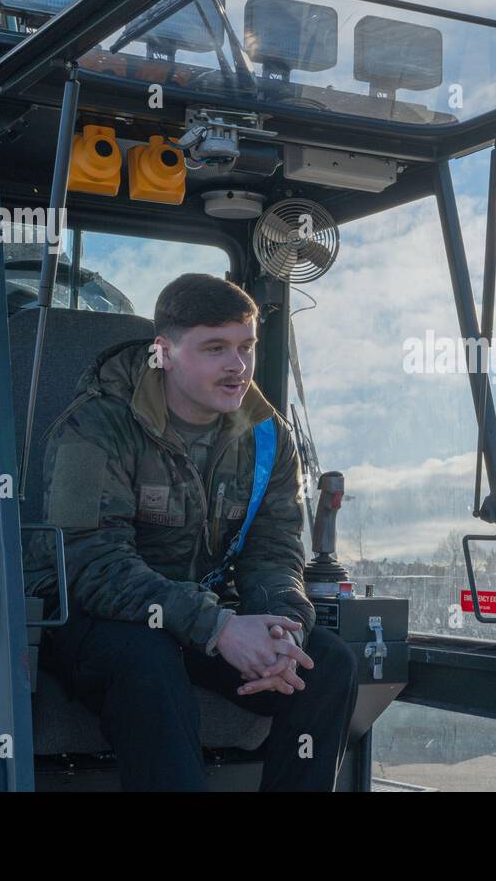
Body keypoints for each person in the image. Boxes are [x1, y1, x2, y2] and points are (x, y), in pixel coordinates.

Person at [34, 273, 357, 791]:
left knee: (326, 663)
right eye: (215, 348)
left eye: (246, 347)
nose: (238, 366)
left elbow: (273, 551)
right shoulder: (95, 427)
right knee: (149, 659)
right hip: (90, 614)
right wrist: (219, 629)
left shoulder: (267, 436)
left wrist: (285, 627)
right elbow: (91, 565)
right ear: (164, 353)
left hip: (199, 609)